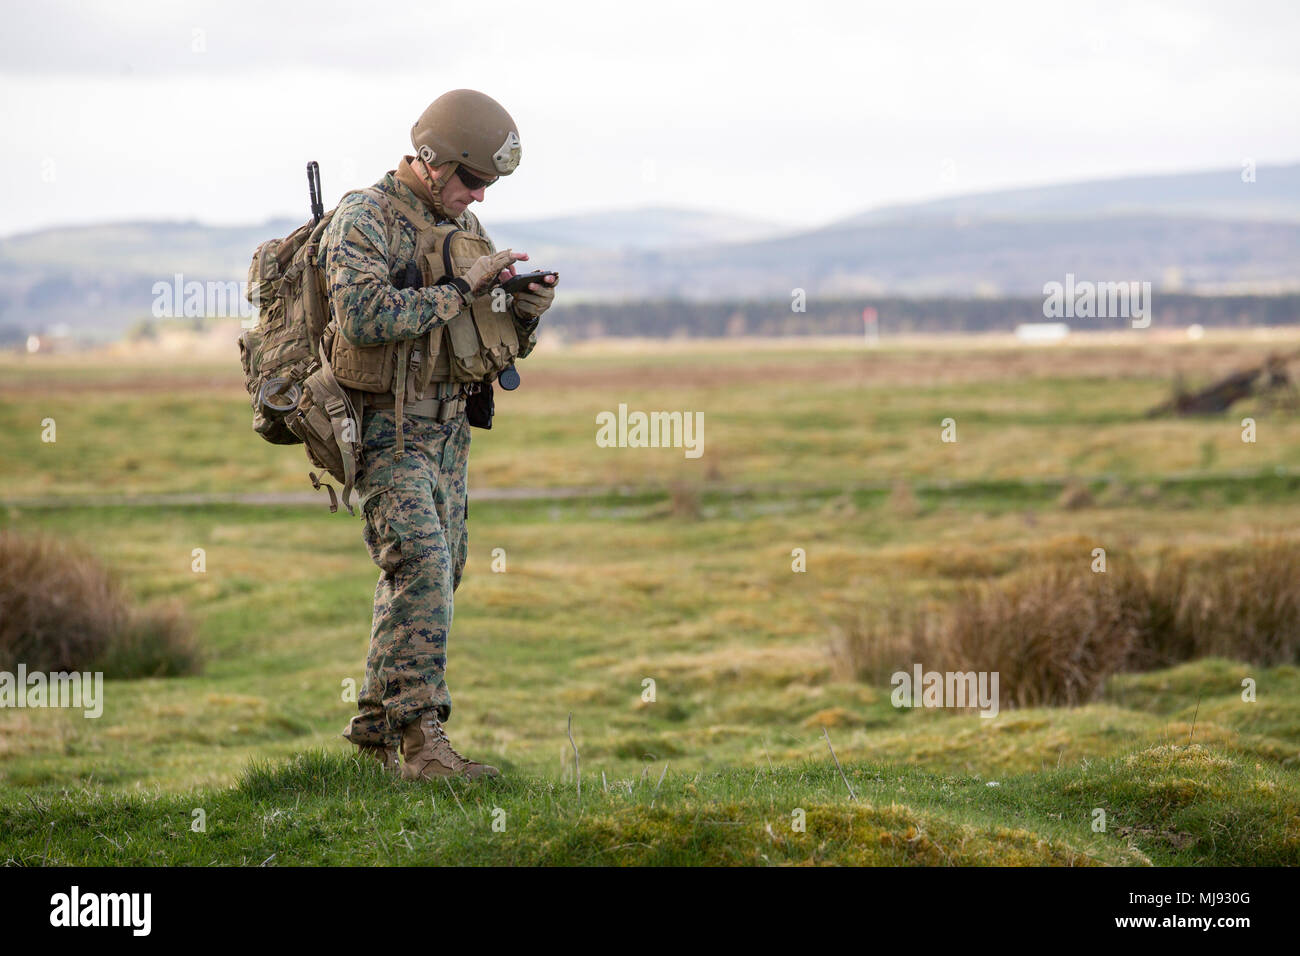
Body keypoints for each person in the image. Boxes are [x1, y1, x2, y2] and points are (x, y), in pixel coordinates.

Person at [320, 89, 556, 780]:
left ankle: (372, 735)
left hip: (450, 432)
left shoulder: (462, 233)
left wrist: (525, 314)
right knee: (420, 567)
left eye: (490, 185)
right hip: (388, 433)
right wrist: (463, 288)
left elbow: (489, 343)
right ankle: (424, 748)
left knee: (434, 575)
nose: (480, 197)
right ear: (433, 160)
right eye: (473, 180)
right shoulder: (366, 217)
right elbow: (361, 315)